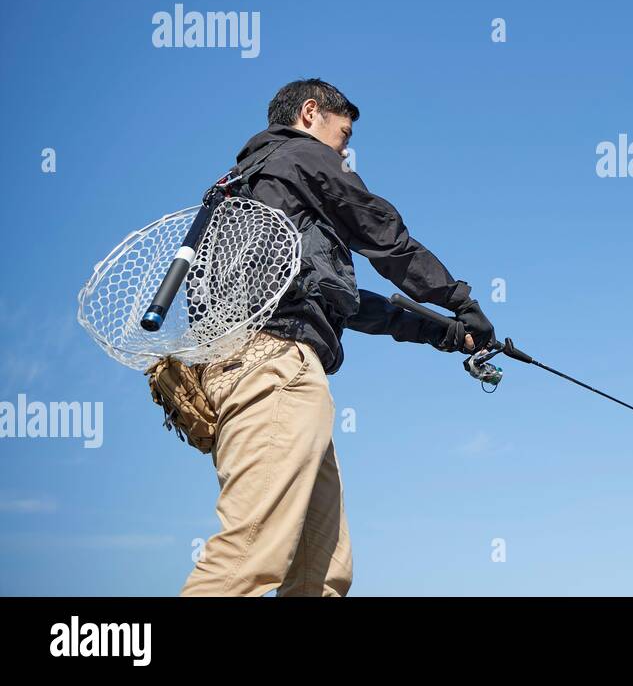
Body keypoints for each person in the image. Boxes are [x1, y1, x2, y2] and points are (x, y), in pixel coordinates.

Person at [179, 78, 493, 597]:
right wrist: (461, 300)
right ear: (310, 113)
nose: (345, 150)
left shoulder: (252, 187)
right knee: (249, 556)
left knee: (321, 575)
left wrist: (443, 332)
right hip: (277, 371)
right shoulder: (303, 156)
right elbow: (383, 236)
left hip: (255, 368)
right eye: (343, 134)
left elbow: (333, 298)